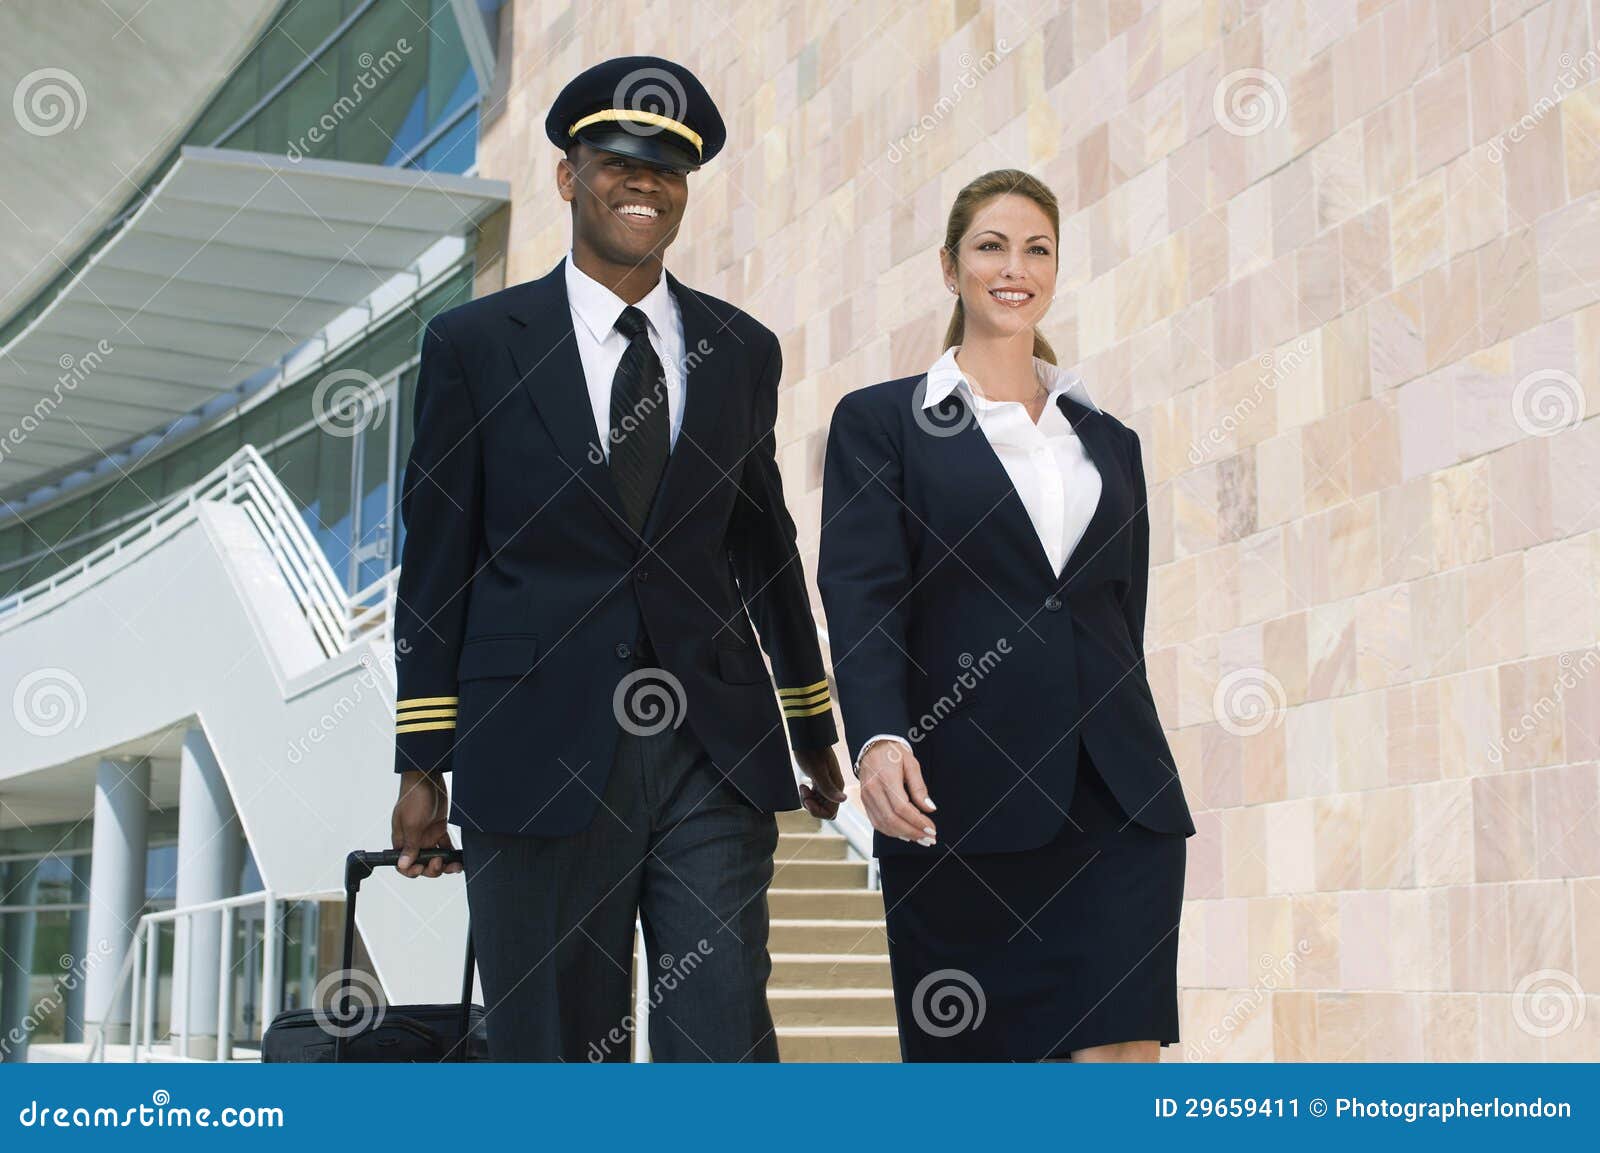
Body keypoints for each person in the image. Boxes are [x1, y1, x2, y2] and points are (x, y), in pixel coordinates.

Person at [387, 54, 846, 1062]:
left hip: (711, 749)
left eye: (667, 170)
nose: (644, 184)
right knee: (554, 1045)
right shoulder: (474, 344)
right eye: (617, 162)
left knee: (721, 1037)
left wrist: (810, 718)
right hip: (535, 741)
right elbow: (436, 556)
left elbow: (764, 543)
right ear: (567, 177)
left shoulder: (740, 349)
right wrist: (423, 756)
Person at [817, 169, 1196, 1062]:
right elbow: (862, 595)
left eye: (1037, 249)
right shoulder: (885, 424)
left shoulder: (1109, 440)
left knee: (1120, 1064)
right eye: (991, 246)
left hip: (1117, 798)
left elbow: (1116, 617)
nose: (1014, 267)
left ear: (1057, 269)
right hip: (959, 797)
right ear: (951, 268)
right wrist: (877, 737)